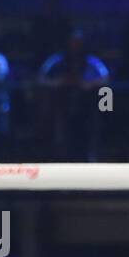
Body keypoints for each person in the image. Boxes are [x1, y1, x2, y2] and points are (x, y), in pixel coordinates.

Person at [37, 29, 110, 161]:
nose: (75, 47)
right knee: (62, 134)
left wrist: (88, 84)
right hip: (61, 105)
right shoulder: (57, 61)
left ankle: (90, 158)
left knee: (105, 99)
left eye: (79, 44)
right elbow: (41, 79)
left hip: (87, 105)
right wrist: (59, 82)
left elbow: (105, 79)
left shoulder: (92, 62)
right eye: (73, 43)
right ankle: (60, 160)